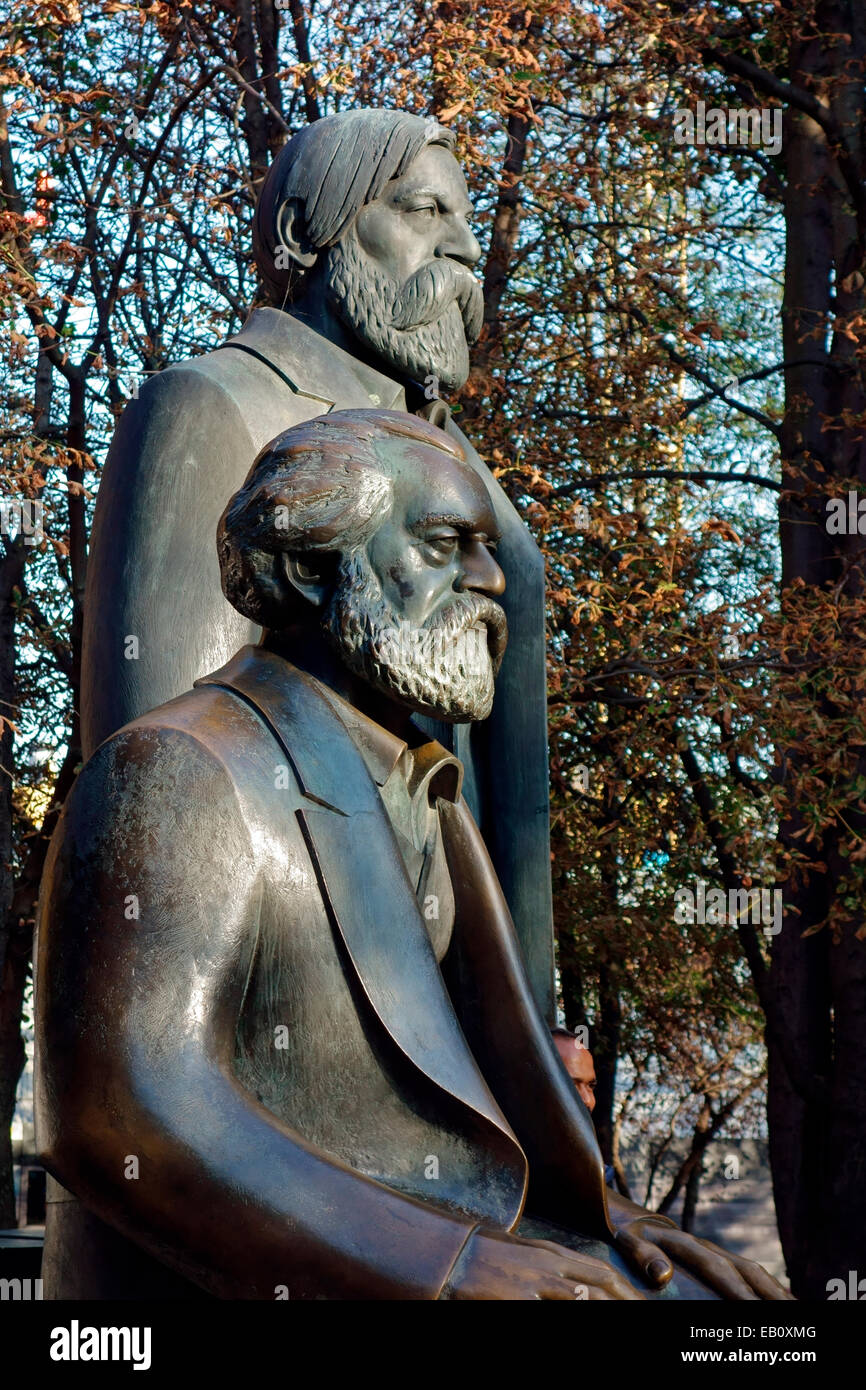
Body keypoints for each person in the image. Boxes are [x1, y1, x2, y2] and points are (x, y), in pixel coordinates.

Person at [37, 410, 790, 1301]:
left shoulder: (428, 790)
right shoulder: (183, 768)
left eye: (488, 547)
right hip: (302, 1277)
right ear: (312, 569)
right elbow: (123, 1115)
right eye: (446, 543)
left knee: (749, 1326)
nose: (490, 578)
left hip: (461, 1231)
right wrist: (443, 1264)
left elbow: (489, 1065)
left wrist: (610, 1216)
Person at [81, 108, 554, 1015]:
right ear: (306, 233)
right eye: (422, 211)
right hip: (283, 1022)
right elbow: (167, 795)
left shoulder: (481, 493)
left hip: (467, 1056)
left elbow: (513, 824)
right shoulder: (215, 409)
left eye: (465, 220)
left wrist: (531, 1055)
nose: (461, 251)